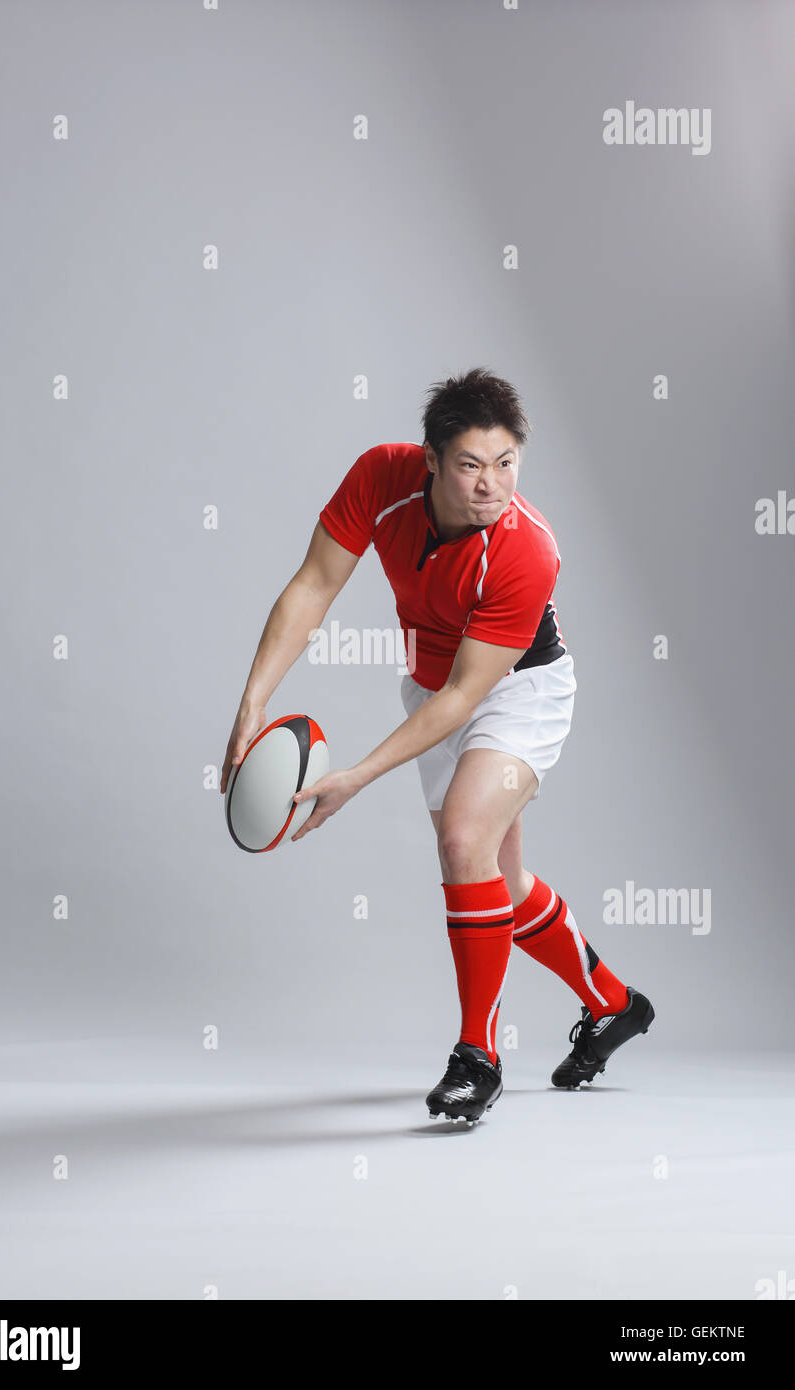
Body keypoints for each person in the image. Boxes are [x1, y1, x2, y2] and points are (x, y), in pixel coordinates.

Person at [221, 368, 654, 1126]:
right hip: (431, 688)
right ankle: (615, 1004)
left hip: (520, 691)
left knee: (461, 839)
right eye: (470, 465)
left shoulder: (527, 550)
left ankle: (476, 1058)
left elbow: (469, 696)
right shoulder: (380, 475)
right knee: (499, 882)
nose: (491, 485)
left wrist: (354, 777)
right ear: (430, 460)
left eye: (507, 463)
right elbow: (315, 586)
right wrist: (253, 699)